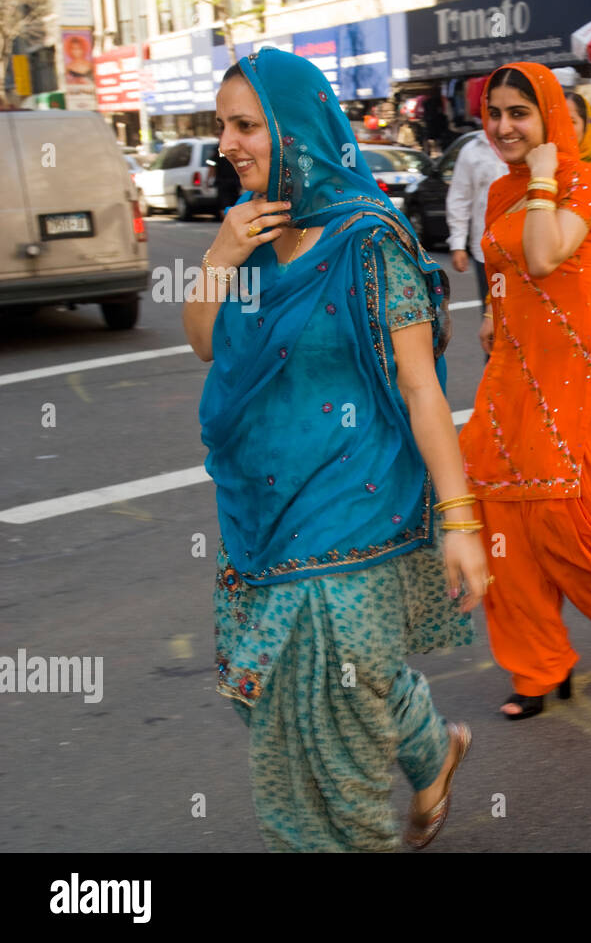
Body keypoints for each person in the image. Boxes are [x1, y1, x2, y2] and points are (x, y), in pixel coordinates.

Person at [188, 48, 486, 852]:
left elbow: (423, 391)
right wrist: (217, 258)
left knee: (334, 739)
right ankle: (430, 748)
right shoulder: (250, 233)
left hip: (351, 512)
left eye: (246, 125)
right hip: (260, 512)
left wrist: (460, 520)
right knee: (285, 695)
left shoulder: (368, 241)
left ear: (296, 129)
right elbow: (203, 345)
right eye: (223, 126)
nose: (229, 142)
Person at [459, 63, 591, 721]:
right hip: (510, 377)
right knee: (503, 522)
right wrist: (494, 315)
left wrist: (550, 175)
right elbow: (504, 267)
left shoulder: (583, 179)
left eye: (518, 113)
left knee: (575, 523)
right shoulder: (499, 192)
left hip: (575, 372)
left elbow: (547, 257)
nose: (502, 126)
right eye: (494, 113)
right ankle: (537, 666)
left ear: (549, 115)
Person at [446, 127, 508, 360]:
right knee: (493, 323)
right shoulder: (472, 151)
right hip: (487, 256)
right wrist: (458, 244)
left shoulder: (532, 144)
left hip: (529, 252)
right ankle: (495, 385)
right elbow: (460, 197)